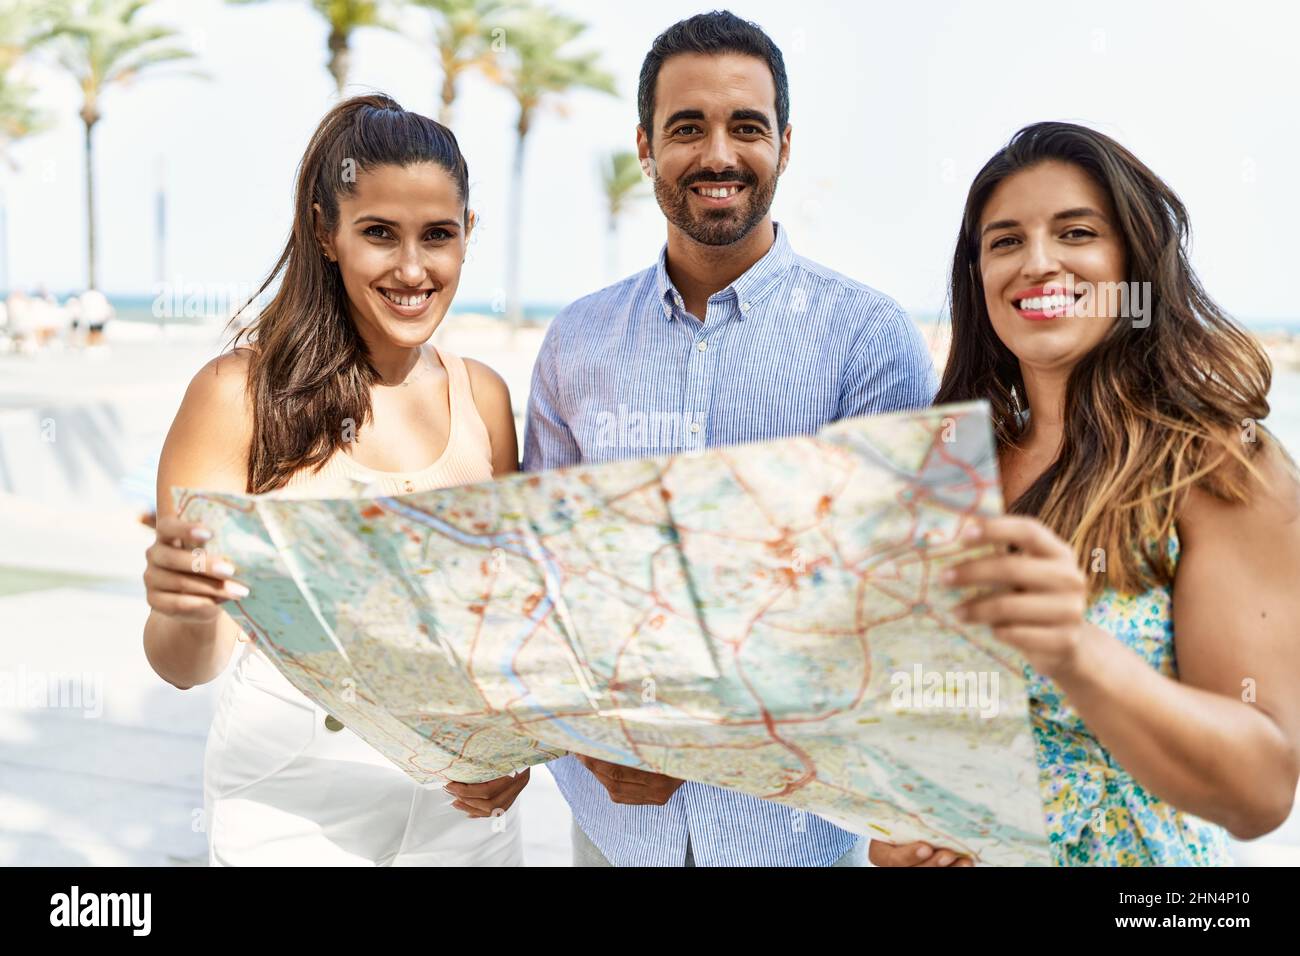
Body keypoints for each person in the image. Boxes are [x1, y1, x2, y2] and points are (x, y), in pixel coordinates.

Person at [523, 10, 965, 867]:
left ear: (785, 146)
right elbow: (547, 580)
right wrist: (591, 734)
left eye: (747, 127)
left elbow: (895, 596)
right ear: (646, 146)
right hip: (614, 832)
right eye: (687, 128)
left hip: (795, 836)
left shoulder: (866, 338)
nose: (718, 154)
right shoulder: (575, 343)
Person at [142, 94, 529, 866]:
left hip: (463, 805)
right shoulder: (236, 397)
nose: (413, 268)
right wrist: (182, 608)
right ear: (326, 233)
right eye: (379, 233)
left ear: (468, 235)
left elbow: (507, 632)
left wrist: (513, 750)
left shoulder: (484, 397)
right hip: (293, 794)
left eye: (438, 236)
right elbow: (187, 667)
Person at [941, 121, 1300, 864]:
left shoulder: (1218, 466)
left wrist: (1077, 652)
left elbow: (1263, 790)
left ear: (1133, 261)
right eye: (1005, 241)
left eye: (1075, 233)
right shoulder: (953, 470)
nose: (1037, 264)